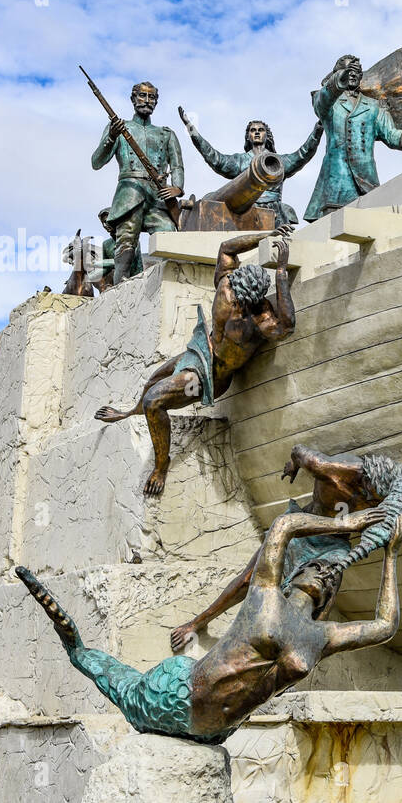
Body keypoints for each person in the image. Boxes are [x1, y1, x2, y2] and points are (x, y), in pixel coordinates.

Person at [14, 505, 402, 744]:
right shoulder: (265, 594)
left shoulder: (322, 637)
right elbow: (283, 527)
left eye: (333, 577)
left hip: (218, 729)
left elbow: (385, 625)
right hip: (178, 694)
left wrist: (391, 554)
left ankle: (79, 649)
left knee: (121, 684)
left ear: (331, 600)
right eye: (318, 566)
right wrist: (344, 525)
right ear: (294, 577)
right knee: (115, 680)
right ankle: (75, 644)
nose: (326, 574)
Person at [168, 432, 402, 653]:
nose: (372, 503)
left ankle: (292, 654)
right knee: (248, 579)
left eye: (378, 500)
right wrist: (293, 465)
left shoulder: (391, 494)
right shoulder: (338, 470)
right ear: (364, 482)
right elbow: (300, 451)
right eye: (371, 496)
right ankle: (197, 622)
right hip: (302, 527)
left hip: (334, 544)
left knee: (320, 601)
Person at [94, 228, 296, 495]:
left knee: (154, 400)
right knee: (154, 378)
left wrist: (281, 273)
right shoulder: (226, 283)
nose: (232, 303)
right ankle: (131, 412)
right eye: (232, 295)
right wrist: (267, 234)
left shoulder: (261, 321)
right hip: (201, 348)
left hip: (210, 376)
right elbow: (226, 247)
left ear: (252, 303)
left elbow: (288, 325)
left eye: (238, 304)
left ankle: (160, 466)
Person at [304, 54, 402, 221]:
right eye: (347, 70)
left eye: (356, 71)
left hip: (367, 179)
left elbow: (391, 134)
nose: (352, 74)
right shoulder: (328, 100)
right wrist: (338, 79)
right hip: (337, 181)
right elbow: (323, 101)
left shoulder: (373, 105)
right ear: (337, 73)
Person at [90, 81, 184, 284]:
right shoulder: (119, 128)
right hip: (130, 192)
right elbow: (96, 162)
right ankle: (121, 284)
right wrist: (111, 137)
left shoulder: (166, 134)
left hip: (159, 196)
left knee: (168, 234)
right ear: (133, 99)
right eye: (142, 96)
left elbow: (177, 165)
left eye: (151, 97)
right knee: (126, 240)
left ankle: (168, 281)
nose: (147, 101)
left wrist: (177, 188)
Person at [178, 111, 322, 225]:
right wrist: (192, 130)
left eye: (261, 130)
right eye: (253, 130)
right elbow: (214, 157)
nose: (257, 132)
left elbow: (303, 154)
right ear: (248, 136)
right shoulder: (240, 161)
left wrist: (318, 130)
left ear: (267, 135)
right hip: (247, 212)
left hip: (275, 213)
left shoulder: (279, 161)